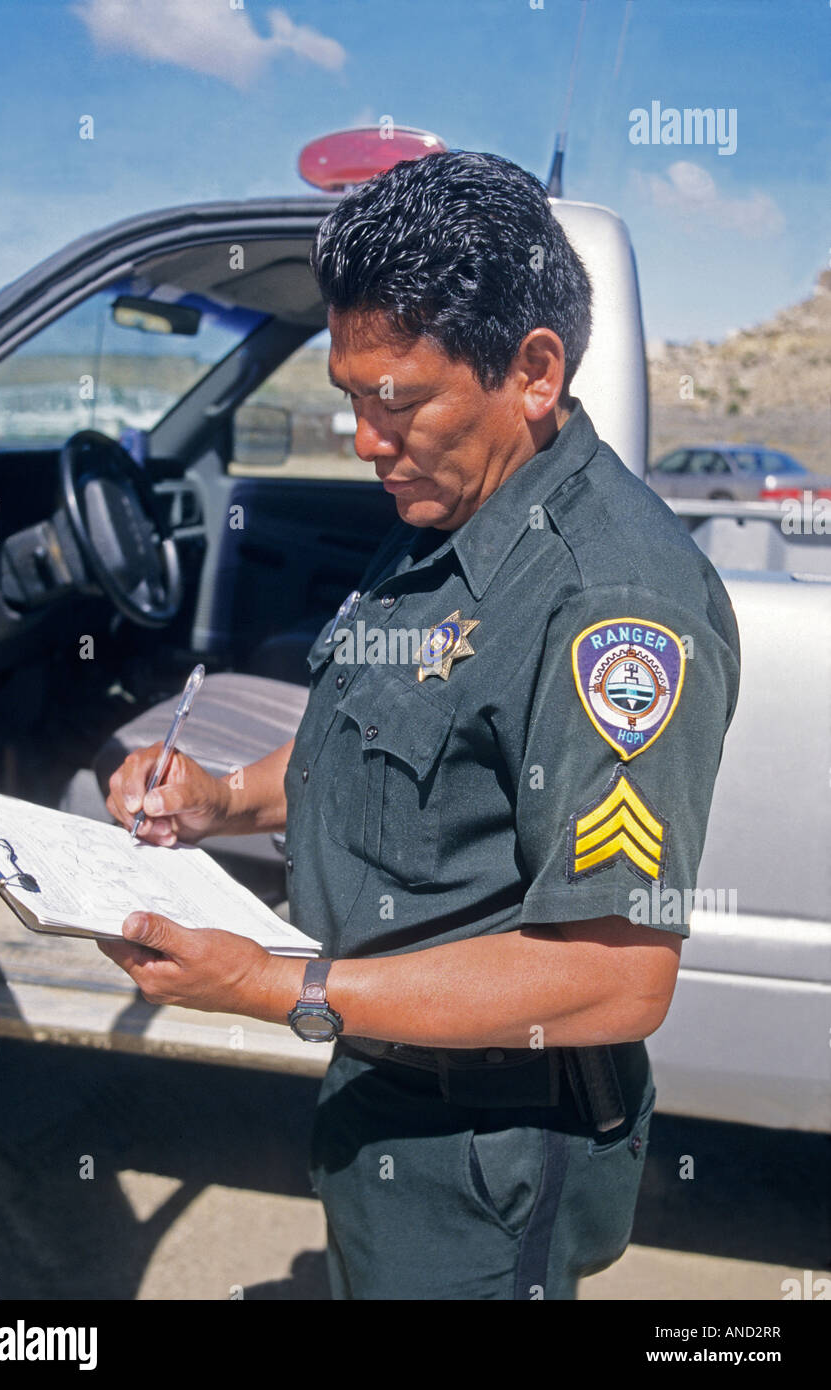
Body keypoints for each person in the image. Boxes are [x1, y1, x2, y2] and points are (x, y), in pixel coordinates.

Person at [101, 150, 741, 1300]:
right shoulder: (448, 505)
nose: (364, 439)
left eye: (394, 399)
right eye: (350, 399)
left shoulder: (614, 605)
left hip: (487, 1150)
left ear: (532, 372)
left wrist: (274, 983)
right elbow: (377, 741)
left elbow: (614, 978)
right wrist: (223, 795)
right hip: (385, 1077)